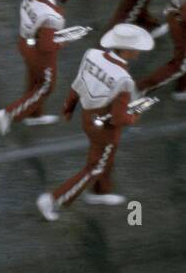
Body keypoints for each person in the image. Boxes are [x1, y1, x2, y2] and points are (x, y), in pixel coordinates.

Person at [37, 25, 156, 221]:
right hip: (106, 128)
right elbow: (118, 117)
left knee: (104, 157)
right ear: (126, 50)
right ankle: (53, 199)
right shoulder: (124, 80)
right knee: (97, 165)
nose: (139, 52)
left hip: (88, 115)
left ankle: (101, 191)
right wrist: (134, 117)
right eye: (137, 48)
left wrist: (69, 106)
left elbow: (79, 82)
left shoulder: (92, 55)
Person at [0, 0, 83, 134]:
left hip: (25, 42)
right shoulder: (51, 16)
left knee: (34, 81)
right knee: (46, 86)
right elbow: (47, 46)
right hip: (40, 53)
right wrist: (66, 39)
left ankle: (34, 114)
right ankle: (10, 114)